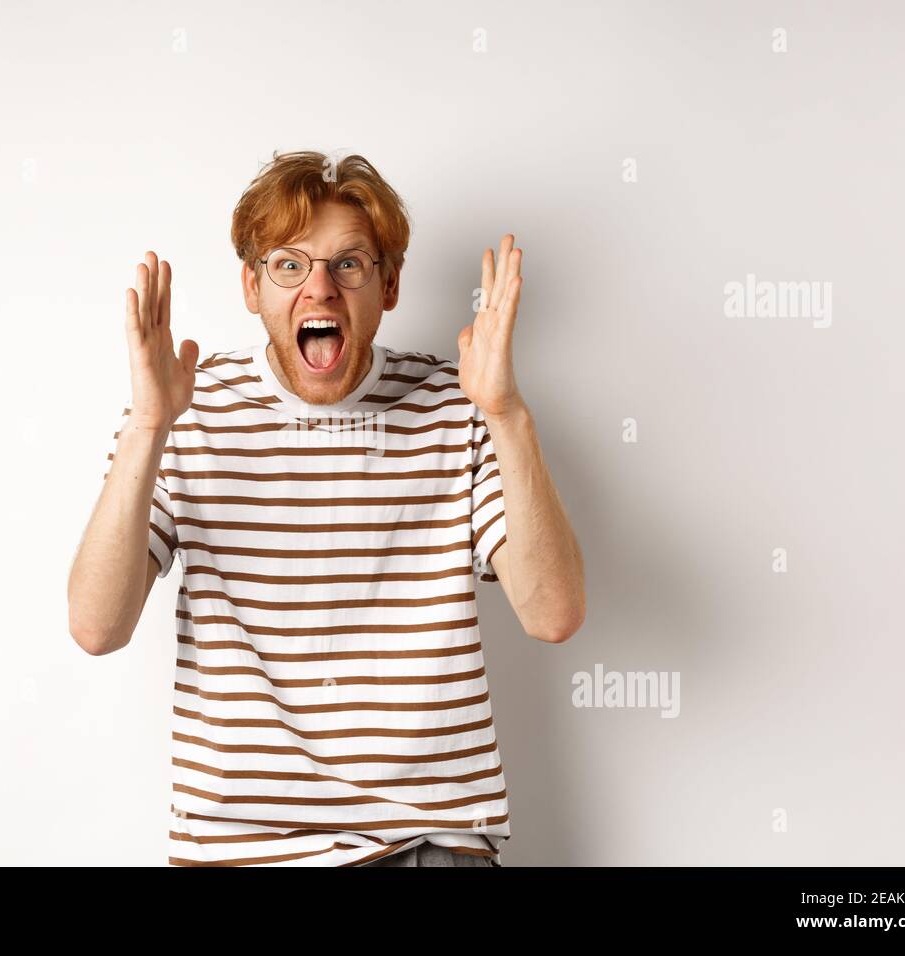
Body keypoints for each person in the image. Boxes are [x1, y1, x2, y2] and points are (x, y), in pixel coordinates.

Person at [67, 150, 586, 867]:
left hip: (427, 847)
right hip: (238, 854)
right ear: (252, 286)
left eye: (350, 265)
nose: (320, 290)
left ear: (390, 284)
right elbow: (96, 627)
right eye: (289, 265)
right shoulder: (186, 409)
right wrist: (150, 425)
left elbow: (553, 614)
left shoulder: (458, 406)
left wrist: (507, 412)